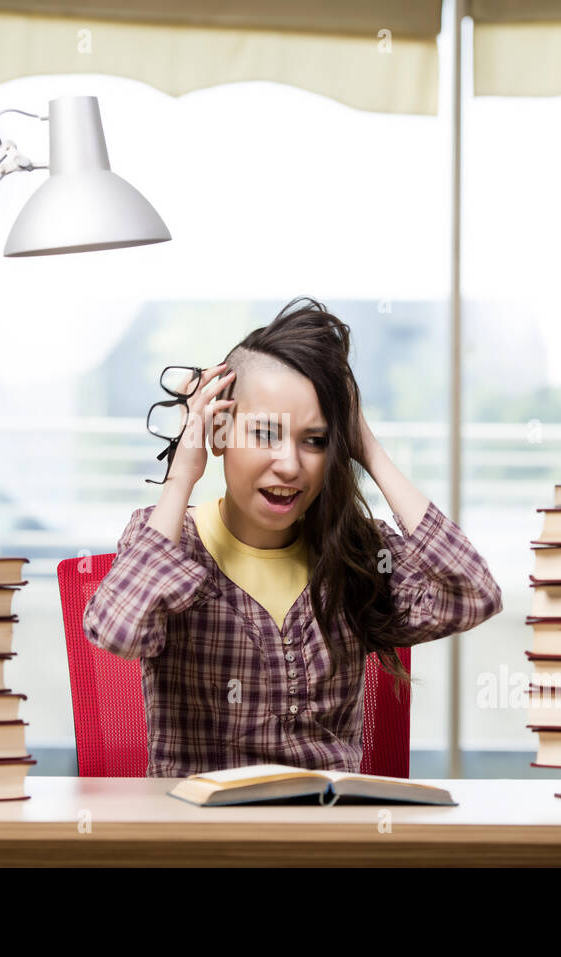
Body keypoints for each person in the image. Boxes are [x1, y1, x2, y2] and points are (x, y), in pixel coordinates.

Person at [82, 297, 504, 777]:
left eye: (315, 440)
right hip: (204, 839)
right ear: (218, 433)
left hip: (325, 838)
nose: (289, 464)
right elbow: (117, 630)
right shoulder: (169, 539)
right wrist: (183, 472)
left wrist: (368, 448)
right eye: (264, 434)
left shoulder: (358, 555)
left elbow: (475, 593)